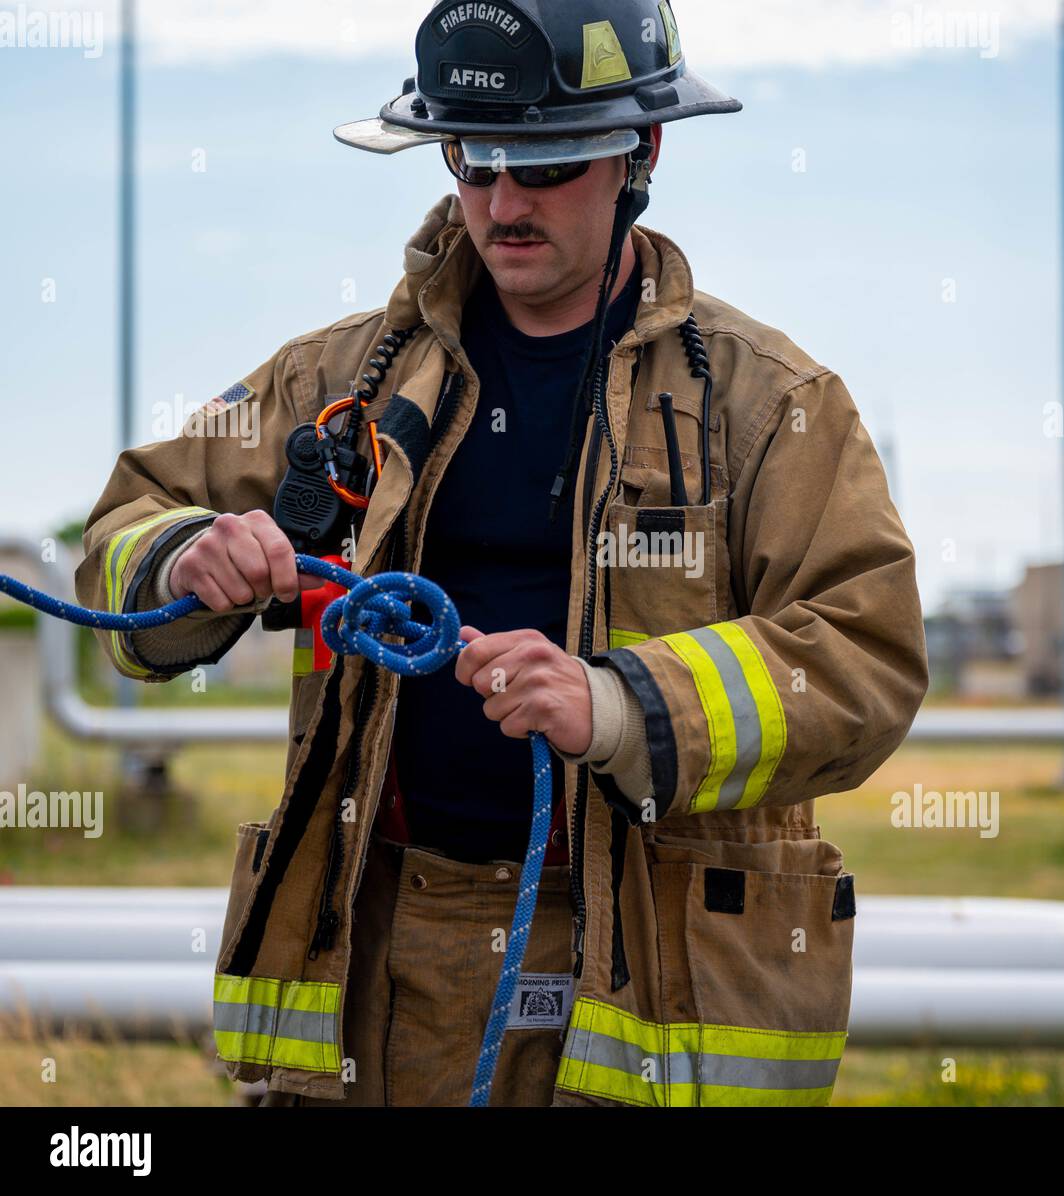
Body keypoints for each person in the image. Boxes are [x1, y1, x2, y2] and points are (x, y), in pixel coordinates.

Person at [76, 0, 928, 1107]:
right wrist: (186, 557)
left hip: (648, 966)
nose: (501, 200)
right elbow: (124, 529)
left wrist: (620, 704)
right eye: (474, 159)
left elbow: (865, 655)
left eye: (548, 161)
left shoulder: (770, 406)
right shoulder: (339, 381)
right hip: (375, 948)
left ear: (641, 153)